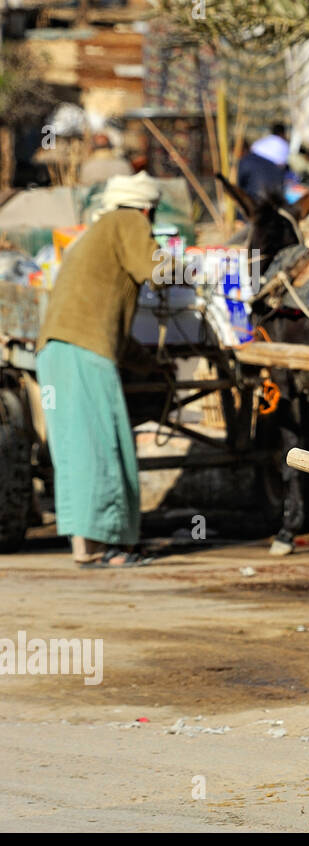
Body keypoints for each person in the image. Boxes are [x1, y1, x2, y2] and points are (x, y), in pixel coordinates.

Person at [35, 172, 166, 567]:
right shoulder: (129, 221)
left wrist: (150, 364)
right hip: (84, 352)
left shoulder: (93, 236)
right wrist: (191, 275)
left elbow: (108, 326)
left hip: (57, 351)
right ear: (147, 208)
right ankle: (113, 548)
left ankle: (86, 548)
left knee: (77, 451)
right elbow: (158, 272)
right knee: (107, 448)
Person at [236, 123, 290, 202]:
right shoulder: (284, 145)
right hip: (273, 187)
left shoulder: (261, 142)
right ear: (283, 133)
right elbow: (283, 167)